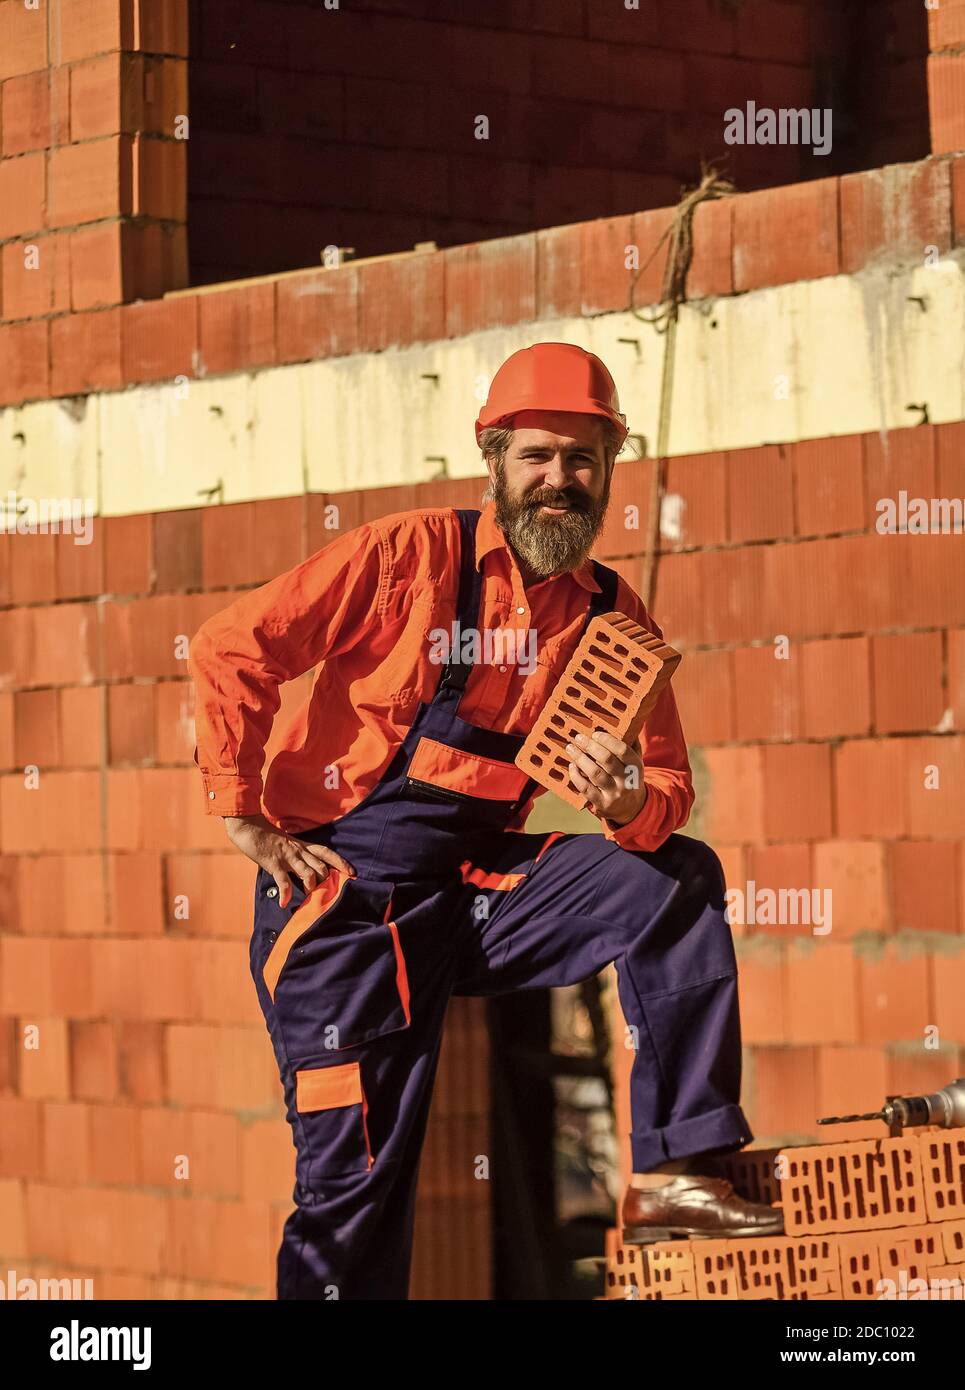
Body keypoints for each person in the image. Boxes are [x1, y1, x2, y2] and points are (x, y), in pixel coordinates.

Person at [189, 341, 782, 1301]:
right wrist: (241, 810)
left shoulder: (609, 618)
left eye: (582, 459)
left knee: (673, 879)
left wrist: (631, 803)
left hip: (474, 893)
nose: (560, 480)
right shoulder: (407, 557)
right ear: (493, 457)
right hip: (343, 911)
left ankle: (676, 1168)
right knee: (354, 1191)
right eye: (538, 456)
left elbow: (667, 784)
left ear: (608, 470)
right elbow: (232, 647)